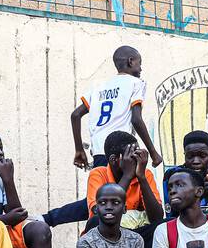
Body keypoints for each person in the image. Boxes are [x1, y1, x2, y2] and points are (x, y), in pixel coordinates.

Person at [47, 45, 163, 228]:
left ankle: (49, 219)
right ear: (131, 61)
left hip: (101, 151)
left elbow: (75, 115)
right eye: (140, 63)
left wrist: (79, 149)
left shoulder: (98, 86)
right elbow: (136, 119)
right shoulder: (136, 83)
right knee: (104, 203)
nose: (141, 68)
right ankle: (50, 219)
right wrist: (153, 152)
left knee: (102, 201)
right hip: (120, 150)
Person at [84, 130, 164, 248]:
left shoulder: (145, 174)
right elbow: (100, 213)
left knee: (166, 225)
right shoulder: (98, 174)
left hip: (135, 240)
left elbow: (157, 217)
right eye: (132, 157)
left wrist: (141, 177)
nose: (138, 160)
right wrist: (127, 175)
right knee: (94, 222)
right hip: (105, 241)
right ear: (114, 160)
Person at [163, 130, 208, 218]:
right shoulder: (172, 175)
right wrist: (198, 194)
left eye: (202, 156)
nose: (196, 161)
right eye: (190, 156)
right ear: (185, 156)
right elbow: (171, 216)